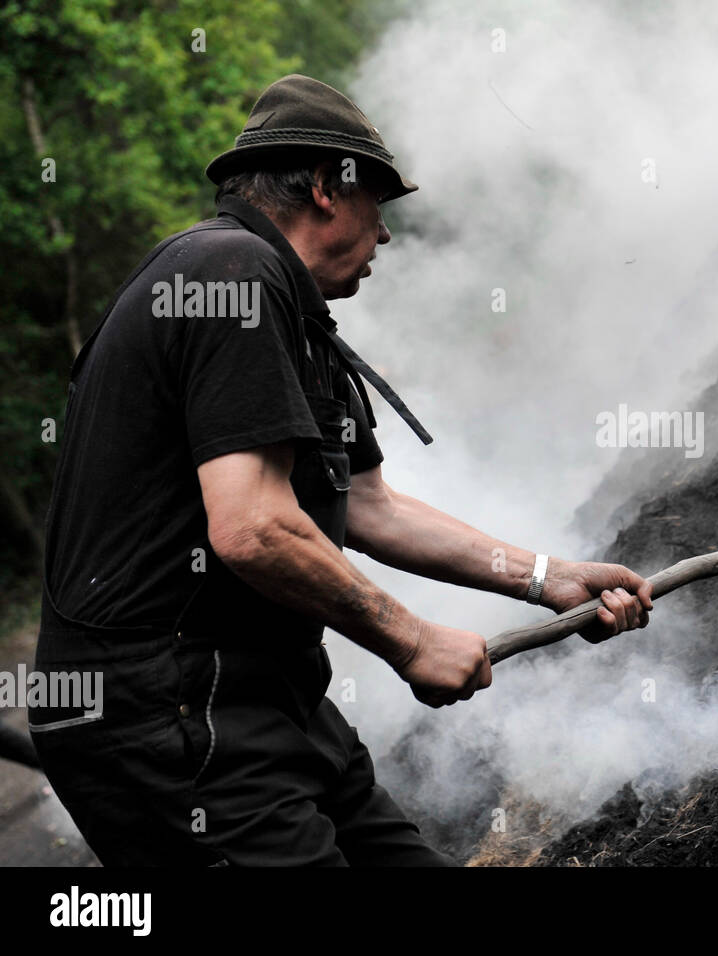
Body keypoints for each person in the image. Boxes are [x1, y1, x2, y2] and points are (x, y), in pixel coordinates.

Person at [29, 74, 652, 866]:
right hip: (169, 713)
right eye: (378, 205)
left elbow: (369, 506)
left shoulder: (294, 318)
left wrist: (545, 576)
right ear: (328, 186)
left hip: (270, 702)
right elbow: (252, 527)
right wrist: (410, 638)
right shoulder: (227, 275)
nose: (386, 237)